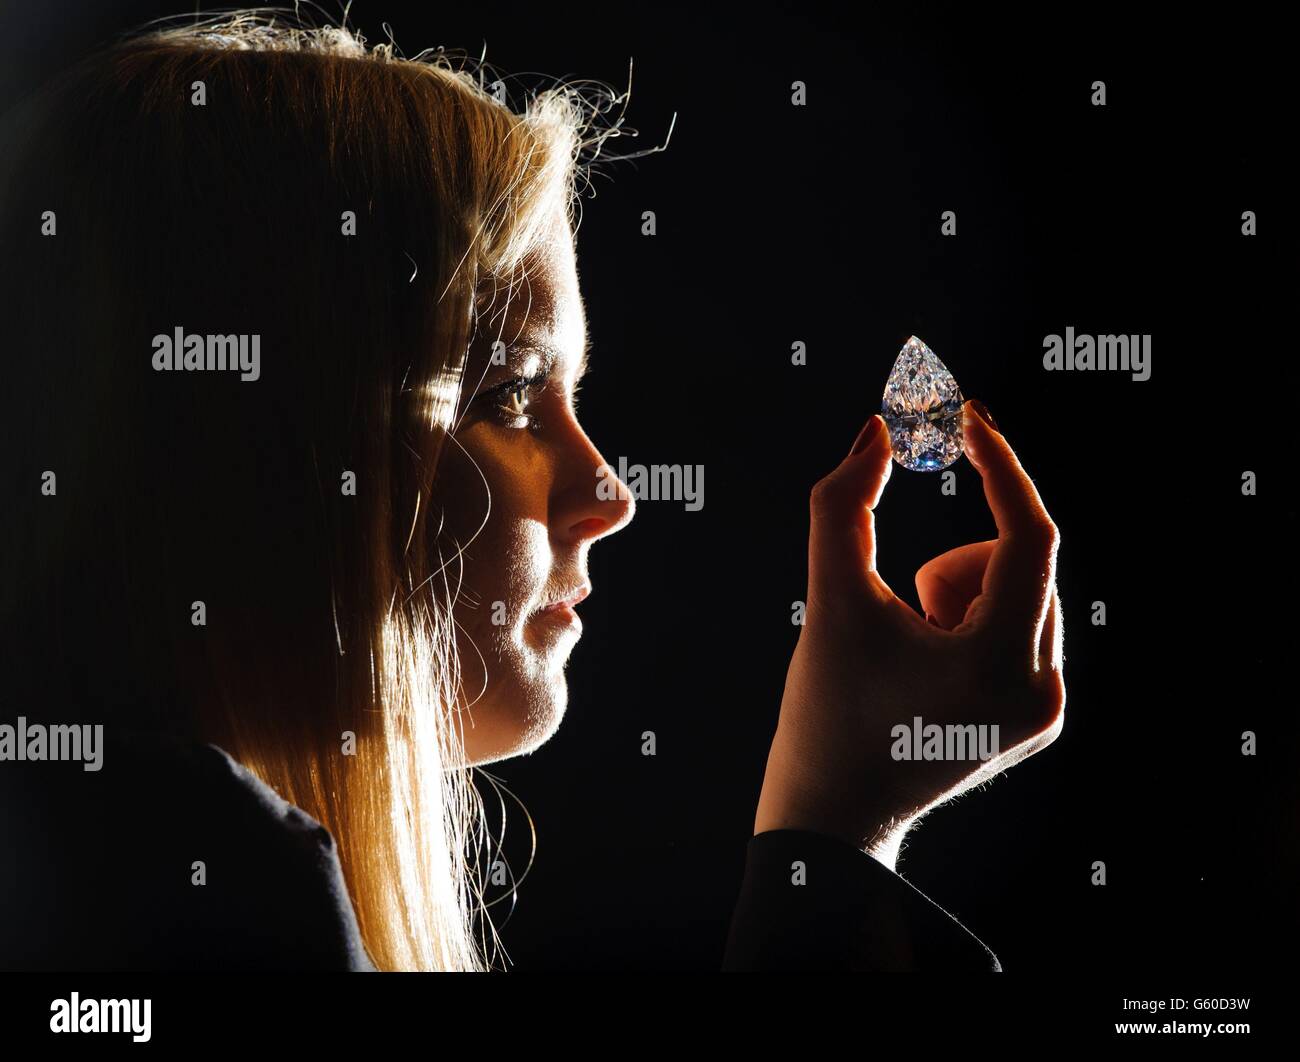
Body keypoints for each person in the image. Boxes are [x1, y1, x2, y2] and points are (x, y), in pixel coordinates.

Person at [0, 12, 1064, 972]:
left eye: (571, 393)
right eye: (507, 393)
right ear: (245, 441)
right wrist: (833, 837)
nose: (609, 492)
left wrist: (836, 822)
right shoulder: (199, 903)